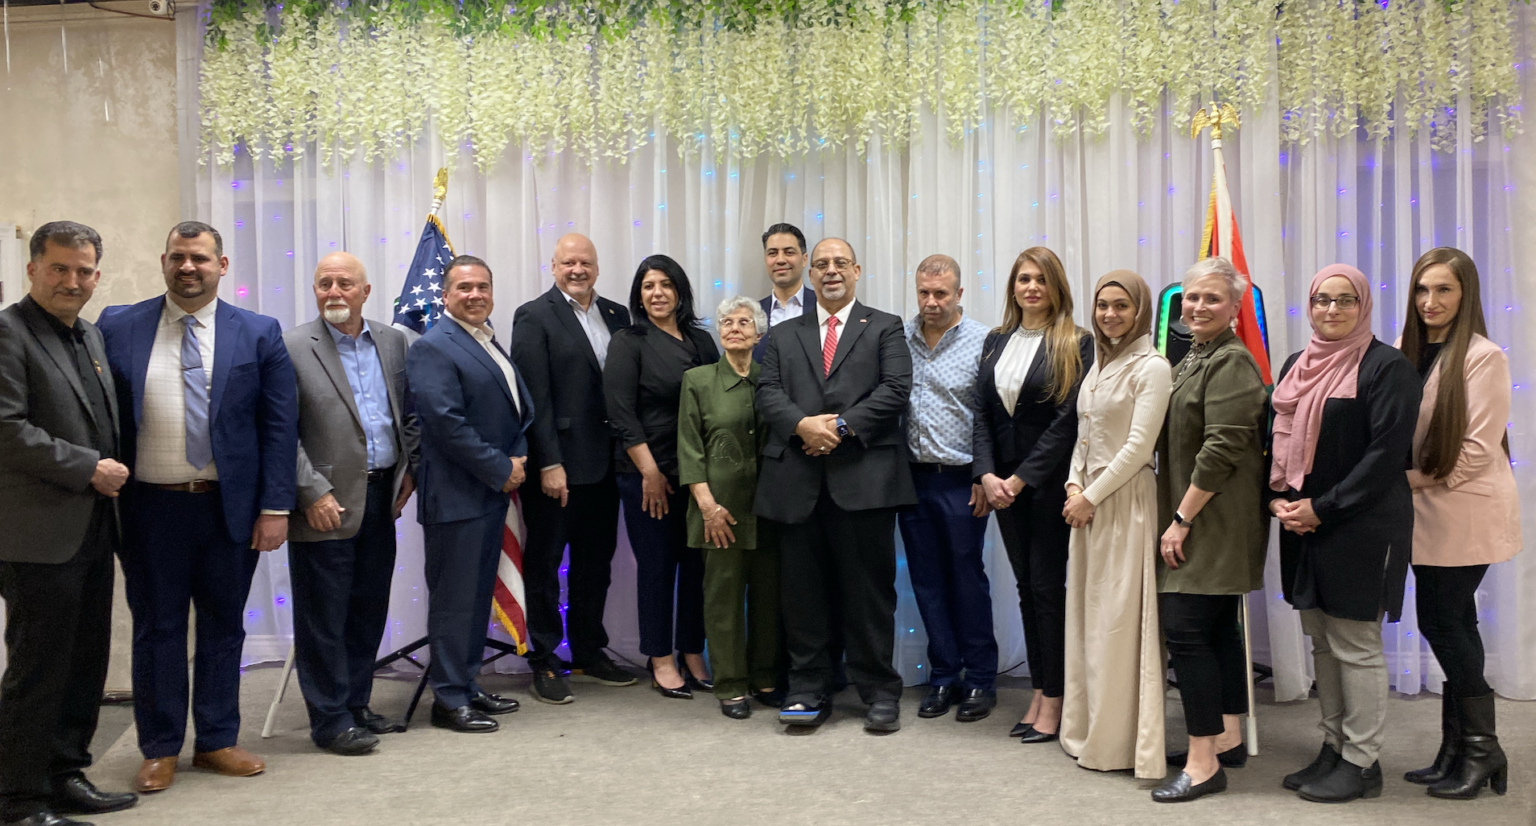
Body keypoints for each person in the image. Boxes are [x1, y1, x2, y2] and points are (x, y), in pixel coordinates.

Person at [96, 221, 297, 794]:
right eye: (179, 257)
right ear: (164, 261)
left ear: (222, 266)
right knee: (156, 627)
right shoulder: (117, 325)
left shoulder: (259, 332)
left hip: (226, 510)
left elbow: (279, 428)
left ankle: (216, 740)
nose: (189, 267)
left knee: (222, 626)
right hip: (147, 510)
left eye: (200, 259)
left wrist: (276, 506)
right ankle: (158, 747)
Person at [0, 222, 139, 826]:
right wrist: (88, 468)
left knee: (84, 661)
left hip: (92, 529)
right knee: (38, 667)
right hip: (35, 536)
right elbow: (7, 429)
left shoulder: (89, 335)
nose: (72, 281)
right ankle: (19, 798)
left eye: (84, 271)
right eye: (59, 269)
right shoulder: (7, 334)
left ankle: (65, 774)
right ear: (32, 269)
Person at [1270, 263, 1420, 804]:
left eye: (1344, 300)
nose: (1331, 310)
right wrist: (1281, 502)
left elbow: (1384, 459)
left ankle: (1363, 760)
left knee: (1355, 645)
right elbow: (1278, 441)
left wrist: (1322, 509)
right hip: (1304, 524)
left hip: (1362, 526)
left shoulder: (1388, 367)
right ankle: (1334, 747)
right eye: (1321, 300)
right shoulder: (1296, 364)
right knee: (1322, 642)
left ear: (1363, 306)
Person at [755, 237, 916, 732]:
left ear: (857, 270)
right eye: (821, 264)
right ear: (810, 272)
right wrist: (805, 426)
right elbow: (767, 391)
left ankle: (878, 690)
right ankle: (807, 688)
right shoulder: (783, 335)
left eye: (839, 263)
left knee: (869, 594)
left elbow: (895, 389)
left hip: (865, 479)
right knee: (802, 594)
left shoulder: (885, 326)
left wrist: (839, 428)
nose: (830, 271)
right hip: (797, 483)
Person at [283, 252, 420, 755]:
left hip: (383, 495)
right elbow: (282, 432)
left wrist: (412, 473)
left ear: (365, 291)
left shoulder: (394, 341)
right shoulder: (293, 346)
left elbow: (407, 414)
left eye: (345, 283)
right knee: (323, 616)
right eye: (325, 284)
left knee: (367, 608)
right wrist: (311, 491)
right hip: (325, 501)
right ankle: (329, 719)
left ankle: (357, 704)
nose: (334, 292)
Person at [1398, 248, 1518, 800]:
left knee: (1444, 622)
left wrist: (1404, 481)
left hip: (1466, 507)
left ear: (1465, 293)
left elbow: (1475, 449)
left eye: (1443, 290)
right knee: (1451, 624)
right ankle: (1456, 749)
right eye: (1423, 290)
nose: (1430, 301)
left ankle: (1482, 747)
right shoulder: (1412, 351)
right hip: (1429, 510)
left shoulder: (1483, 355)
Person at [1150, 257, 1268, 803]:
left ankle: (1202, 764)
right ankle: (1227, 736)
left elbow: (1223, 448)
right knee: (1218, 630)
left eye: (1212, 299)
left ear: (1235, 307)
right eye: (1192, 297)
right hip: (1202, 517)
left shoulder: (1233, 363)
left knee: (1188, 632)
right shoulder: (1195, 356)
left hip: (1213, 522)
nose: (1198, 306)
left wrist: (1181, 519)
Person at [405, 255, 533, 734]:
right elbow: (445, 422)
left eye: (482, 286)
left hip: (488, 493)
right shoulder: (434, 346)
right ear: (445, 295)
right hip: (458, 496)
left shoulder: (486, 340)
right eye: (464, 287)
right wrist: (502, 469)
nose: (474, 294)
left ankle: (467, 683)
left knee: (477, 597)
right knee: (454, 600)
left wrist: (516, 460)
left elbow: (514, 410)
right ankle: (448, 698)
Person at [510, 233, 636, 704]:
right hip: (558, 467)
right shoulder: (534, 315)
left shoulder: (617, 316)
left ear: (597, 268)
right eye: (568, 262)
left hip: (608, 465)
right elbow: (533, 399)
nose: (577, 269)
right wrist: (550, 462)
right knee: (544, 565)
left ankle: (589, 650)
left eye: (585, 262)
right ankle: (543, 658)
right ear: (553, 266)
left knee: (594, 565)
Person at [973, 246, 1092, 743]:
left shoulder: (1077, 342)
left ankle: (1056, 698)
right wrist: (985, 476)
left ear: (1056, 286)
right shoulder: (995, 341)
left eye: (1041, 279)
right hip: (1001, 488)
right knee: (1026, 590)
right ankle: (1040, 691)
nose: (1031, 288)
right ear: (1013, 286)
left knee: (1048, 592)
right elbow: (980, 413)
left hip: (1046, 487)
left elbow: (1068, 423)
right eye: (1023, 279)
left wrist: (1020, 479)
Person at [1058, 270, 1171, 779]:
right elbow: (1083, 437)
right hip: (1088, 506)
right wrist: (1073, 487)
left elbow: (1139, 448)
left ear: (1140, 309)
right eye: (1102, 305)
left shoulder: (1152, 367)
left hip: (1125, 505)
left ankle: (1121, 743)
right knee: (1090, 620)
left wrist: (1092, 494)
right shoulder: (1101, 365)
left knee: (1120, 626)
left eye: (1120, 306)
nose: (1109, 314)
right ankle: (1087, 729)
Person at [605, 254, 720, 698]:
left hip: (697, 477)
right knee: (657, 568)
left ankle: (693, 650)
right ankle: (660, 657)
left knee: (697, 569)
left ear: (680, 292)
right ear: (639, 294)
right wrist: (650, 472)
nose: (657, 293)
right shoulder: (628, 342)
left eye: (666, 284)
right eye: (648, 285)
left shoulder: (702, 342)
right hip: (647, 476)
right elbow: (620, 413)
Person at [898, 254, 998, 723]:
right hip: (913, 479)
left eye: (941, 293)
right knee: (926, 582)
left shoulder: (984, 341)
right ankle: (943, 675)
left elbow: (991, 416)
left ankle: (979, 678)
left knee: (966, 580)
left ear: (959, 294)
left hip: (963, 481)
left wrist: (984, 473)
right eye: (924, 292)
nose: (931, 302)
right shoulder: (899, 339)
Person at [677, 296, 777, 718]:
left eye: (744, 322)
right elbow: (690, 446)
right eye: (727, 322)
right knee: (723, 601)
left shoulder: (772, 380)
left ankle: (764, 675)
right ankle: (730, 684)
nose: (734, 328)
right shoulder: (697, 380)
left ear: (759, 333)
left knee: (769, 599)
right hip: (719, 512)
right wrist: (707, 506)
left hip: (769, 509)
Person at [755, 223, 817, 362]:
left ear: (804, 259)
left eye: (789, 252)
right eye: (773, 253)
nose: (781, 260)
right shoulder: (752, 314)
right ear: (766, 260)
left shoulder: (825, 307)